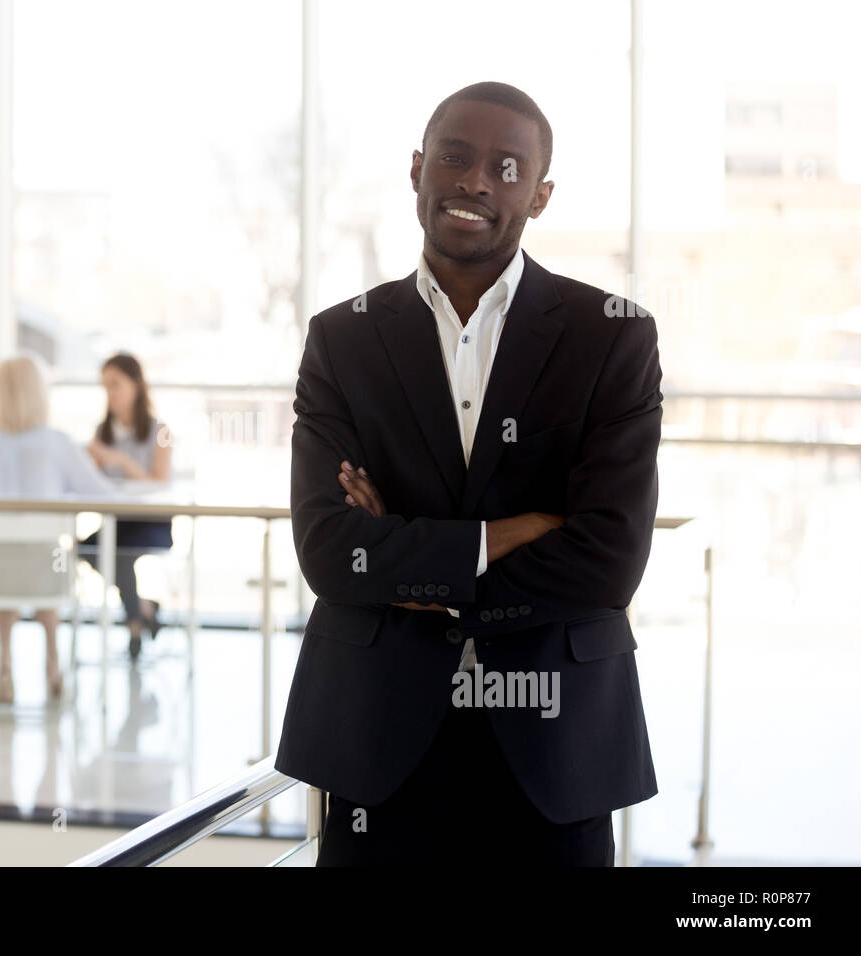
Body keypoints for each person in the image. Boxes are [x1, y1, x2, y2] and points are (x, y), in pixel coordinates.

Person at [275, 82, 662, 866]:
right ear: (418, 169)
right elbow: (328, 549)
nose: (476, 181)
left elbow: (608, 558)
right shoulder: (340, 340)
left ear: (540, 195)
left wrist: (407, 556)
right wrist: (505, 534)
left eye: (506, 166)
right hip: (377, 742)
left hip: (554, 747)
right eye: (454, 156)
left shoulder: (611, 337)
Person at [0, 354, 120, 703]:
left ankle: (4, 665)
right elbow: (101, 493)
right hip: (46, 571)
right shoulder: (57, 442)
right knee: (46, 557)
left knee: (6, 565)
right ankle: (52, 661)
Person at [79, 353, 174, 660]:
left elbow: (160, 481)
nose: (110, 394)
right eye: (105, 386)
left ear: (136, 385)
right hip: (117, 521)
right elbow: (92, 484)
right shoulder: (102, 433)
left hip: (152, 522)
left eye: (116, 385)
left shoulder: (160, 431)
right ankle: (145, 608)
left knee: (117, 555)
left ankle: (133, 627)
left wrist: (120, 461)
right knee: (83, 550)